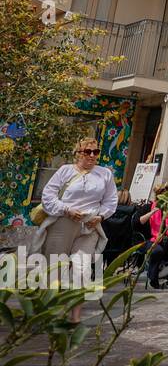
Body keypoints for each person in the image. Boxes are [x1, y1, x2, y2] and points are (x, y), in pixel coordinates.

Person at [37, 136, 118, 323]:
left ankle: (75, 317)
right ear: (77, 153)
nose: (92, 155)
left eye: (95, 152)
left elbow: (111, 200)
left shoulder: (104, 174)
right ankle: (51, 313)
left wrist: (101, 216)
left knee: (81, 270)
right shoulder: (65, 171)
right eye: (87, 152)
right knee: (55, 267)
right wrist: (66, 209)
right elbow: (48, 195)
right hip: (63, 222)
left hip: (89, 225)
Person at [141, 197, 168, 289]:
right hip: (151, 239)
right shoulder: (148, 207)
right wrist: (152, 212)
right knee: (157, 250)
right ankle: (153, 279)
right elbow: (138, 222)